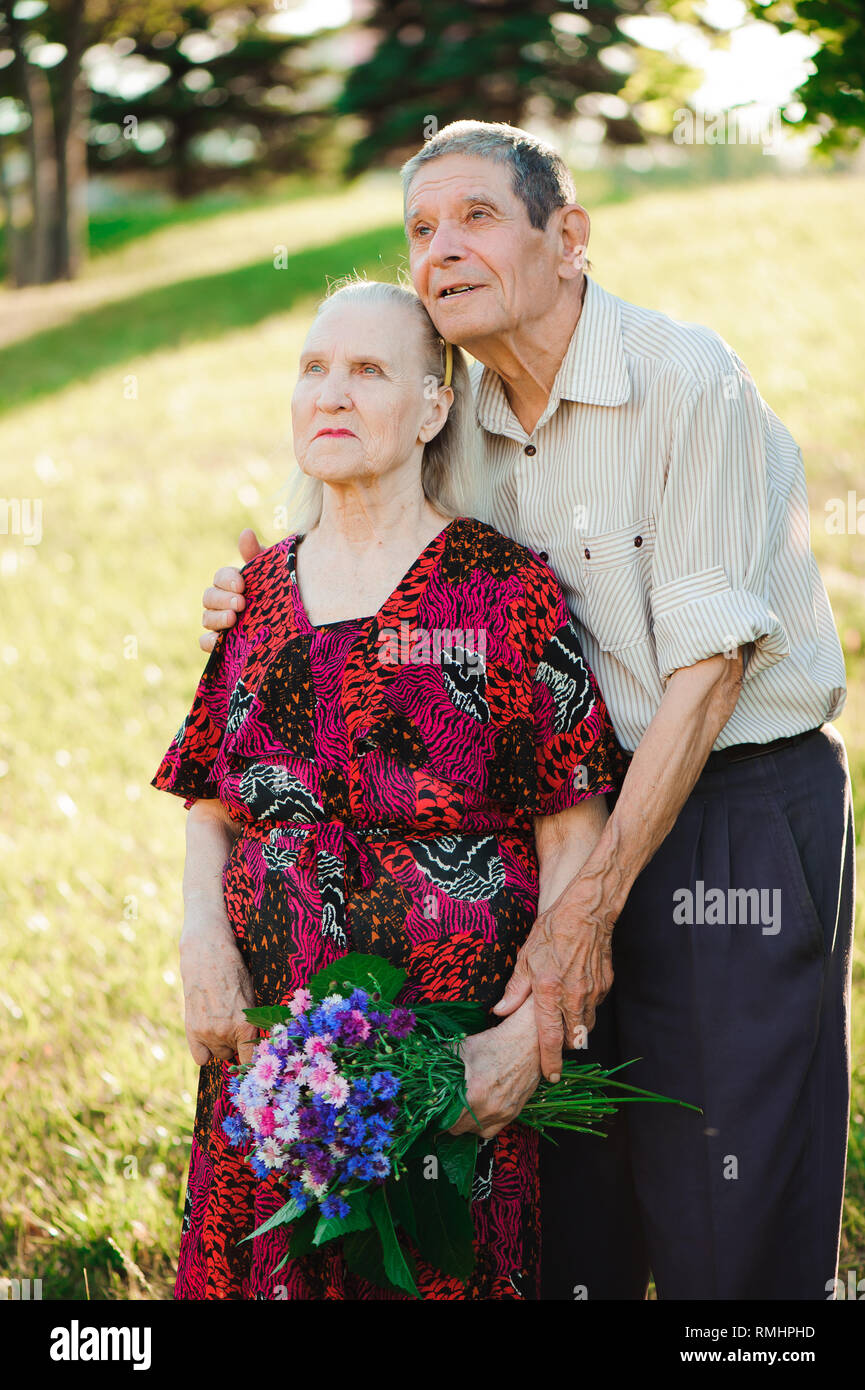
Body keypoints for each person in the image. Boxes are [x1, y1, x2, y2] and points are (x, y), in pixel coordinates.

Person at [201, 122, 854, 1301]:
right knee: (566, 1204)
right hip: (550, 829)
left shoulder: (683, 379)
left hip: (726, 809)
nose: (440, 249)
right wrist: (250, 595)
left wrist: (588, 909)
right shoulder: (464, 426)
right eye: (419, 230)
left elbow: (708, 670)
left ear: (570, 238)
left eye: (475, 217)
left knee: (729, 1209)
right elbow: (375, 545)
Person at [152, 276, 620, 1299]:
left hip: (448, 1074)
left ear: (433, 406)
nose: (331, 393)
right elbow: (209, 800)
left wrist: (525, 1039)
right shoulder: (257, 594)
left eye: (367, 371)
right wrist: (201, 942)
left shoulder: (505, 588)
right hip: (273, 1055)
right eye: (313, 368)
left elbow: (571, 826)